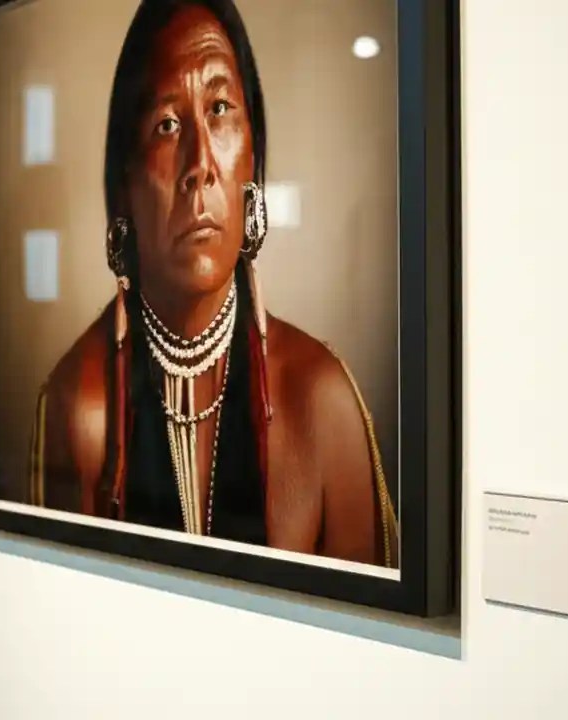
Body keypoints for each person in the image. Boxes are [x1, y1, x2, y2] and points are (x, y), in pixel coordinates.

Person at [30, 0, 396, 567]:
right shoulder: (81, 402)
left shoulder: (322, 399)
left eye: (221, 108)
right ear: (124, 182)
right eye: (167, 124)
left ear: (253, 156)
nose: (201, 163)